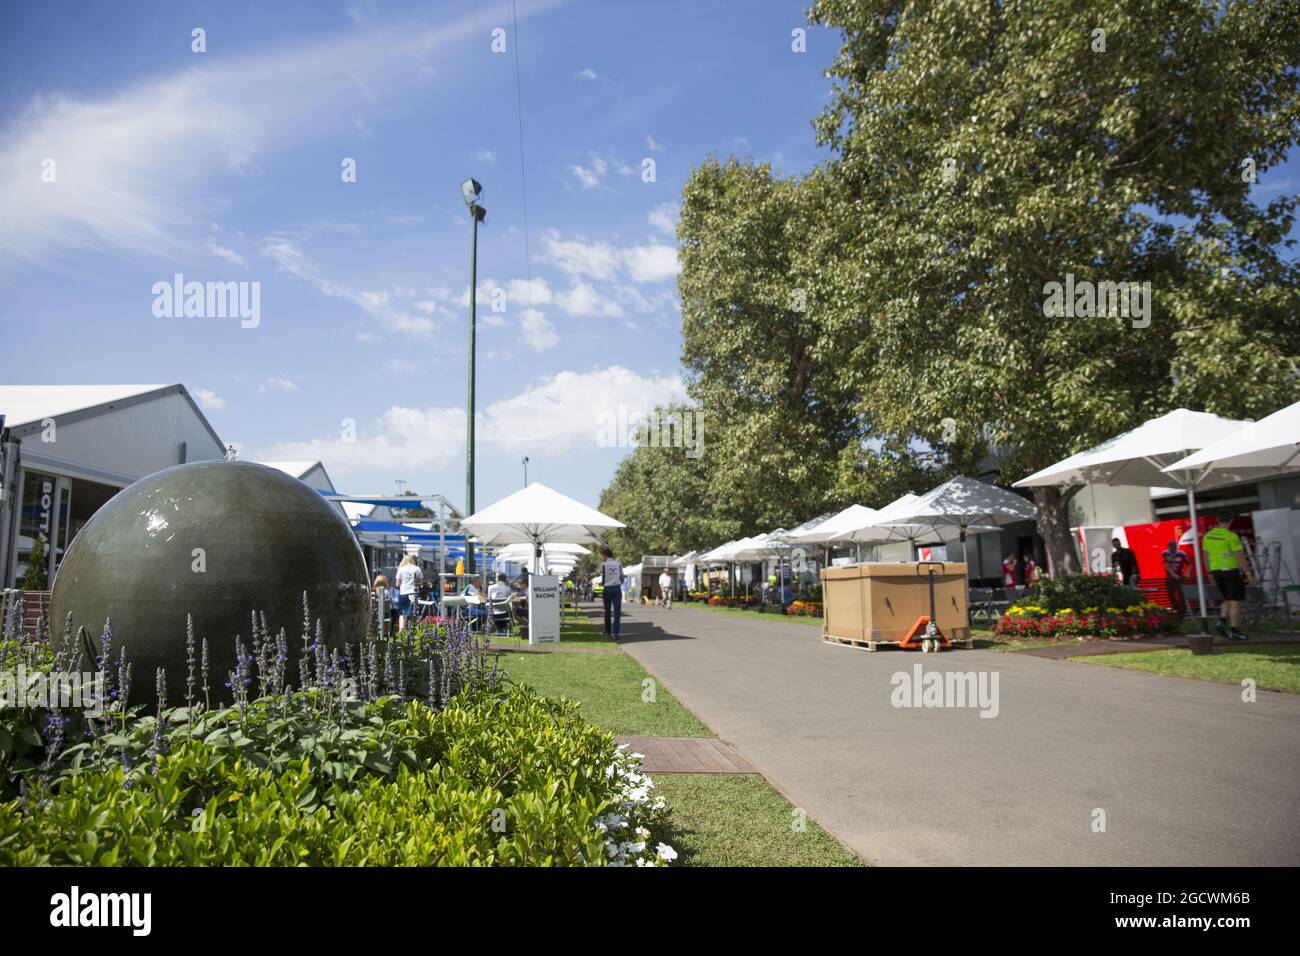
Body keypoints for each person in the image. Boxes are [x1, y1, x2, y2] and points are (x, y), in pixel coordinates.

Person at [1202, 513, 1252, 641]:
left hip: (1216, 571)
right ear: (1231, 520)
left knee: (1228, 598)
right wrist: (1248, 573)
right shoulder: (1231, 536)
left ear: (1217, 520)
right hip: (1230, 571)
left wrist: (1209, 573)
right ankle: (1234, 631)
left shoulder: (1208, 536)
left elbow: (1205, 556)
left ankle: (1222, 622)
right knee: (1235, 602)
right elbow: (1239, 556)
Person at [599, 547, 624, 640]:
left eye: (602, 556)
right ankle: (616, 633)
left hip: (607, 588)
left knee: (607, 611)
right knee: (617, 612)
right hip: (617, 588)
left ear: (605, 555)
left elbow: (600, 573)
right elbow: (622, 577)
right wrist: (618, 583)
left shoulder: (603, 564)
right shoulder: (618, 564)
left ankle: (608, 631)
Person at [1162, 540, 1190, 620]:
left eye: (1173, 547)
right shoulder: (1165, 553)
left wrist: (1187, 573)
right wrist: (1173, 575)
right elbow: (1166, 565)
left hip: (1180, 576)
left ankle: (1182, 612)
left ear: (1176, 547)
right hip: (1170, 577)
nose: (1171, 549)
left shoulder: (1182, 554)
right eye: (1170, 547)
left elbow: (1189, 564)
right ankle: (1177, 609)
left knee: (1181, 594)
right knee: (1170, 594)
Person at [394, 555, 423, 631]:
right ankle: (412, 633)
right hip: (413, 593)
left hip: (403, 593)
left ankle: (401, 633)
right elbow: (421, 582)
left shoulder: (401, 569)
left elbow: (397, 584)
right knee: (413, 614)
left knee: (402, 615)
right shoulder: (417, 568)